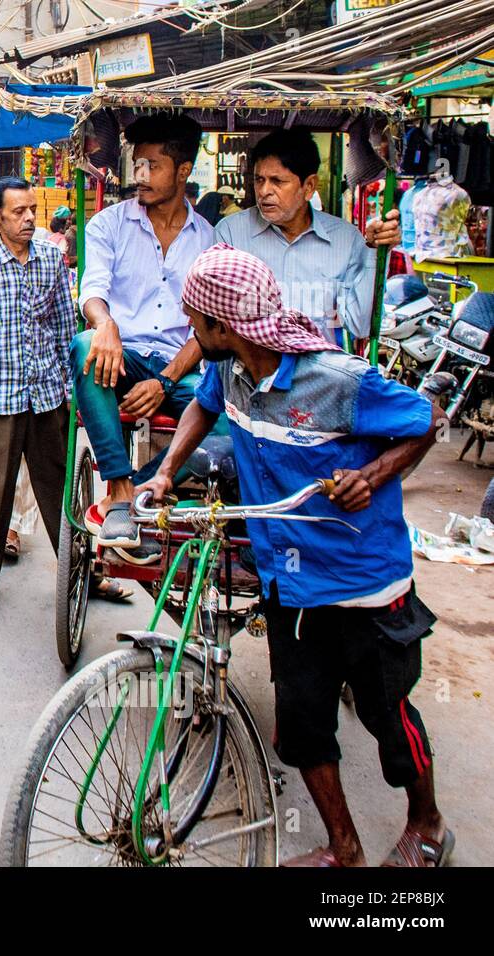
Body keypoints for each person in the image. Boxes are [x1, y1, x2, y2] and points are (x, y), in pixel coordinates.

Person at [137, 244, 449, 868]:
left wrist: (377, 474)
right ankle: (345, 849)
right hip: (291, 583)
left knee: (390, 719)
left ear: (225, 327)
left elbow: (425, 419)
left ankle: (428, 823)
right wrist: (165, 472)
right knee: (303, 727)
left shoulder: (335, 379)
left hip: (364, 580)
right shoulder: (230, 370)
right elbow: (204, 404)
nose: (189, 326)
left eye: (195, 318)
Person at [71, 113, 218, 565]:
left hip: (182, 368)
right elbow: (92, 292)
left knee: (231, 423)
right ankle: (118, 487)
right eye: (138, 165)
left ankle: (144, 487)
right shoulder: (108, 224)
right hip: (123, 357)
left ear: (183, 171)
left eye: (153, 166)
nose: (141, 176)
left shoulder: (209, 240)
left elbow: (206, 328)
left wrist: (168, 381)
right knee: (83, 346)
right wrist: (105, 325)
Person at [0, 177, 76, 608]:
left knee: (58, 492)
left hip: (45, 395)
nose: (27, 219)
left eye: (32, 211)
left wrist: (69, 391)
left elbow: (64, 330)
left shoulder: (51, 259)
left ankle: (80, 574)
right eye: (17, 212)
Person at [216, 128, 401, 348]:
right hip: (249, 375)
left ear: (309, 186)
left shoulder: (346, 240)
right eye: (259, 180)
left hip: (321, 374)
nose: (264, 191)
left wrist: (375, 251)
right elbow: (215, 322)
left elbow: (360, 326)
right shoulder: (231, 234)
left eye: (277, 181)